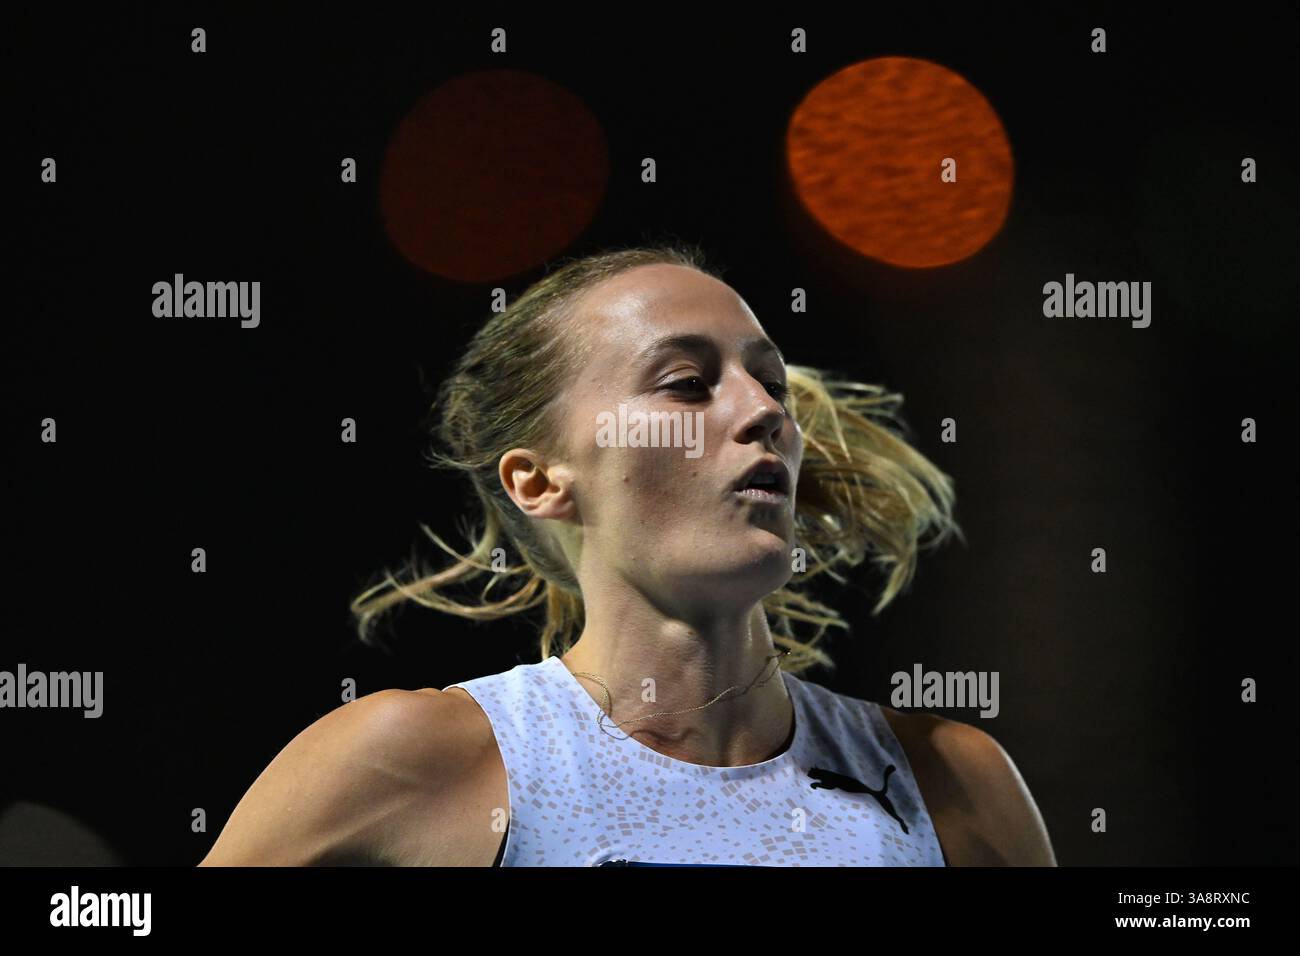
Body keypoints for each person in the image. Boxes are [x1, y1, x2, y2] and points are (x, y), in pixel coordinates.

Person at [198, 243, 1056, 867]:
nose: (763, 411)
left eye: (772, 381)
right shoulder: (419, 760)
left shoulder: (952, 786)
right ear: (542, 482)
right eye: (687, 383)